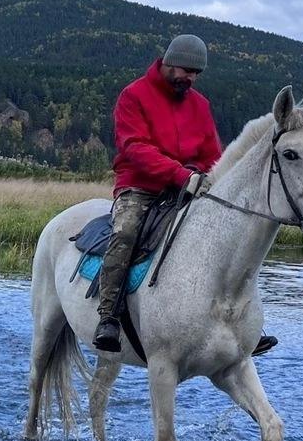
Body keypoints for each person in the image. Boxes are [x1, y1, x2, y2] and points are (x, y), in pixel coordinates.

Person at [93, 35, 221, 352]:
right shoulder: (133, 96)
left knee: (225, 235)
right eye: (185, 70)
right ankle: (108, 316)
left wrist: (204, 175)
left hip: (187, 186)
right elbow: (135, 148)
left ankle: (233, 320)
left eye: (196, 73)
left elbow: (212, 154)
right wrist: (180, 174)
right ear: (167, 61)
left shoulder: (200, 105)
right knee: (124, 234)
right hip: (139, 186)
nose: (190, 78)